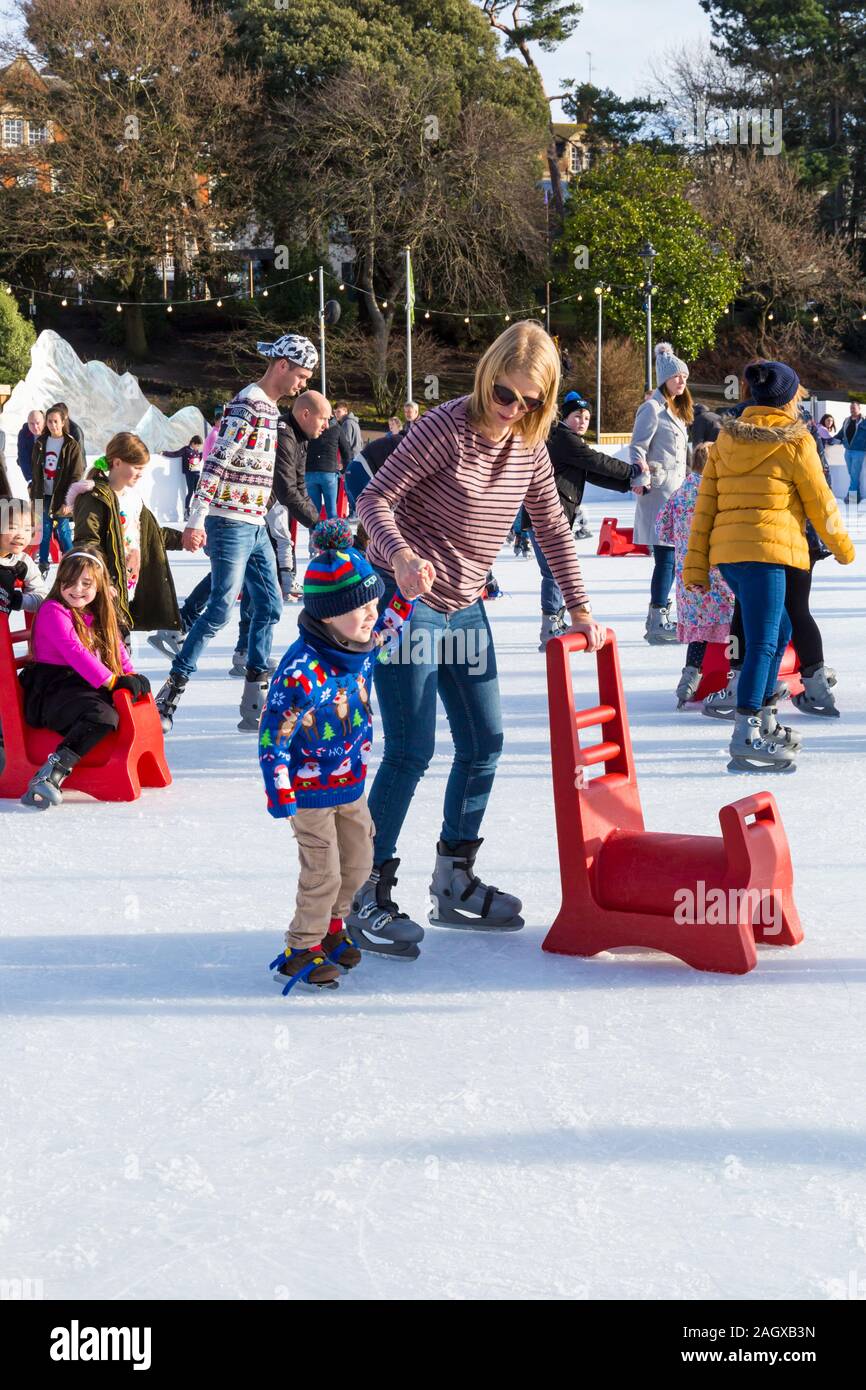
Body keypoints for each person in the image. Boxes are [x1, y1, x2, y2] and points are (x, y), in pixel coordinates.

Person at [351, 319, 605, 953]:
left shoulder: (529, 447)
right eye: (505, 395)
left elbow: (551, 527)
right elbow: (374, 500)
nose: (512, 410)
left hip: (465, 608)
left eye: (530, 402)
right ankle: (363, 891)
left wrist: (579, 609)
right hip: (406, 607)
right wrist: (403, 560)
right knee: (410, 751)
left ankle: (454, 878)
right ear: (488, 378)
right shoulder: (445, 428)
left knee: (484, 742)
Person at [259, 519, 414, 990]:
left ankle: (331, 930)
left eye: (372, 603)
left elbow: (391, 624)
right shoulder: (302, 671)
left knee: (359, 864)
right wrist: (280, 791)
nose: (371, 614)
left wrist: (406, 593)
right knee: (322, 873)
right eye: (359, 608)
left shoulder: (360, 647)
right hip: (307, 792)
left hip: (350, 783)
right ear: (328, 613)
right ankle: (300, 948)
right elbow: (273, 737)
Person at [683, 359, 854, 773]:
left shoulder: (727, 439)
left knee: (779, 631)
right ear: (789, 397)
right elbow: (820, 502)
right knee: (763, 642)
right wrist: (843, 548)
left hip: (731, 557)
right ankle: (746, 733)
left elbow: (706, 504)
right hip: (767, 553)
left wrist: (696, 563)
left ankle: (766, 716)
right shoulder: (795, 441)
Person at [154, 333, 319, 734]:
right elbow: (214, 464)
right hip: (229, 521)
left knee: (270, 604)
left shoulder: (270, 411)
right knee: (220, 608)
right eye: (300, 375)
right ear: (281, 366)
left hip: (254, 521)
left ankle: (254, 698)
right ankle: (171, 692)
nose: (302, 385)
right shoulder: (248, 406)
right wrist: (196, 518)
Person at [18, 547, 151, 808]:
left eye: (86, 583)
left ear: (99, 585)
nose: (77, 589)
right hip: (51, 689)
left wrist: (129, 673)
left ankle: (129, 758)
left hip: (80, 683)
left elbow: (115, 646)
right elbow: (75, 652)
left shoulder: (96, 613)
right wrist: (112, 681)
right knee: (101, 716)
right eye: (69, 582)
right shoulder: (53, 610)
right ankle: (51, 773)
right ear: (60, 582)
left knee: (120, 707)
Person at [534, 391, 634, 647]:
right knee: (553, 572)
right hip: (546, 517)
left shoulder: (566, 440)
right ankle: (551, 625)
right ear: (566, 417)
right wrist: (631, 471)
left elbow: (590, 472)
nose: (583, 421)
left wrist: (628, 484)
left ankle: (553, 622)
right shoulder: (563, 438)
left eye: (587, 417)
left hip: (556, 516)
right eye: (577, 415)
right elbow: (596, 460)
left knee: (554, 571)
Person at [68, 432, 184, 636]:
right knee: (108, 643)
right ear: (118, 462)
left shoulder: (133, 498)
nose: (141, 473)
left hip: (128, 585)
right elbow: (87, 543)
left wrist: (182, 539)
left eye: (142, 468)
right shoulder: (95, 497)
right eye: (137, 467)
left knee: (122, 645)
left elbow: (151, 535)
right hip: (105, 587)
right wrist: (102, 581)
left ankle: (122, 667)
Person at [656, 442, 734, 707]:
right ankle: (735, 674)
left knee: (700, 633)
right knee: (735, 623)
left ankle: (690, 676)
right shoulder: (719, 493)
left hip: (688, 577)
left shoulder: (680, 493)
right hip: (719, 574)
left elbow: (661, 529)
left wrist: (681, 538)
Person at [629, 343, 692, 644]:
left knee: (672, 557)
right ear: (664, 378)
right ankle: (657, 618)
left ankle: (660, 616)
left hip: (676, 493)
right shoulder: (652, 408)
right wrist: (642, 476)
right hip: (659, 493)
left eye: (685, 377)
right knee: (666, 557)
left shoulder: (676, 411)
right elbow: (637, 446)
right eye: (677, 376)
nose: (682, 381)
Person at [29, 403, 85, 577]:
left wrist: (70, 500)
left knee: (63, 530)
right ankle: (43, 564)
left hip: (61, 496)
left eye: (55, 421)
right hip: (42, 494)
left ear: (62, 422)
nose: (52, 425)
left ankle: (74, 562)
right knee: (43, 531)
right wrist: (33, 496)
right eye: (49, 421)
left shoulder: (71, 445)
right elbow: (35, 470)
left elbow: (76, 475)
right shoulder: (40, 442)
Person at [0, 499, 48, 615]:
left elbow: (42, 597)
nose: (21, 535)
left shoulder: (22, 562)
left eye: (27, 529)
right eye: (12, 527)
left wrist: (17, 600)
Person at [303, 412, 351, 519]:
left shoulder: (310, 426)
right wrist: (344, 471)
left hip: (310, 471)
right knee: (332, 512)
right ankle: (332, 535)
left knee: (314, 513)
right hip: (329, 473)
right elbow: (347, 452)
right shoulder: (337, 428)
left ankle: (313, 536)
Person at [165, 435, 204, 519]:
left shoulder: (197, 451)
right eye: (197, 445)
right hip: (189, 473)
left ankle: (197, 511)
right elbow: (175, 453)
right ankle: (187, 511)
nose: (198, 447)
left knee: (197, 493)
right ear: (193, 443)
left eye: (199, 446)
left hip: (197, 473)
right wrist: (164, 453)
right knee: (190, 492)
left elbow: (198, 459)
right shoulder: (186, 449)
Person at [833, 402, 866, 501]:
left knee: (854, 474)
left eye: (854, 408)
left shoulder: (864, 421)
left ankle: (851, 498)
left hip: (859, 451)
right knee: (852, 475)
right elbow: (841, 433)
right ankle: (857, 496)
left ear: (859, 409)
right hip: (848, 451)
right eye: (851, 408)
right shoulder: (847, 420)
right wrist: (830, 440)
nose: (852, 410)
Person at [17, 409, 44, 486]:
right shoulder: (23, 434)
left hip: (51, 474)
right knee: (37, 497)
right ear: (28, 423)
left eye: (38, 423)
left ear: (44, 422)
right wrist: (30, 479)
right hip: (33, 471)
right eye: (31, 424)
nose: (35, 427)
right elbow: (23, 457)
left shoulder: (51, 432)